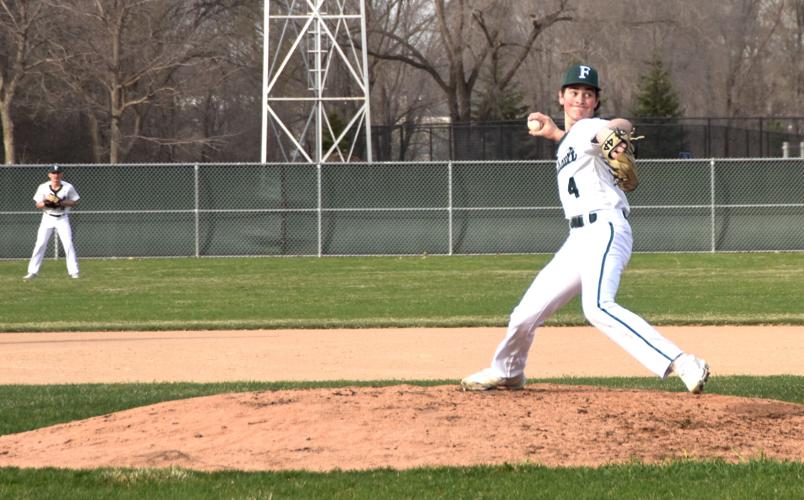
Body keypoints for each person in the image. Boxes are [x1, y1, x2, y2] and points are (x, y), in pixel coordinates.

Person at [460, 64, 710, 394]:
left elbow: (618, 126)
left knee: (597, 306)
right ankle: (508, 370)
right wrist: (553, 134)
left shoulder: (593, 126)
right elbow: (576, 143)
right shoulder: (569, 141)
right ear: (561, 97)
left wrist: (613, 135)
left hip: (605, 227)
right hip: (578, 238)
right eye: (574, 93)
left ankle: (683, 363)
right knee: (525, 313)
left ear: (595, 103)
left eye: (588, 94)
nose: (581, 98)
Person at [24, 165, 81, 280]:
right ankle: (32, 272)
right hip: (47, 218)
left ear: (61, 175)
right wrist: (46, 203)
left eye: (58, 173)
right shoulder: (43, 187)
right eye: (53, 173)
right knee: (40, 244)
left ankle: (74, 272)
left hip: (62, 218)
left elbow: (74, 201)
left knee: (68, 244)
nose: (56, 175)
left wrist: (61, 202)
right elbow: (37, 204)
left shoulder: (68, 187)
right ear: (49, 175)